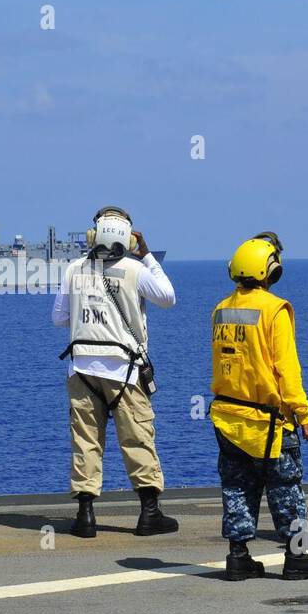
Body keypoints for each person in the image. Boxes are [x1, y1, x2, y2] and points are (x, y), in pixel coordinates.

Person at [210, 233, 308, 580]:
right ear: (271, 270)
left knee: (236, 487)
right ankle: (295, 558)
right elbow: (287, 369)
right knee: (285, 487)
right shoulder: (275, 310)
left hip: (228, 417)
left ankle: (238, 557)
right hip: (269, 422)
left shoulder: (221, 310)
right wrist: (303, 414)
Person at [53, 206, 178, 538]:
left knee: (86, 442)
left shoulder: (74, 269)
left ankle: (85, 517)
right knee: (137, 439)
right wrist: (148, 255)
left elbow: (59, 318)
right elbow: (168, 297)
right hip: (126, 372)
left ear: (94, 234)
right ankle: (149, 514)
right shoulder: (135, 270)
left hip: (81, 371)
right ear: (128, 236)